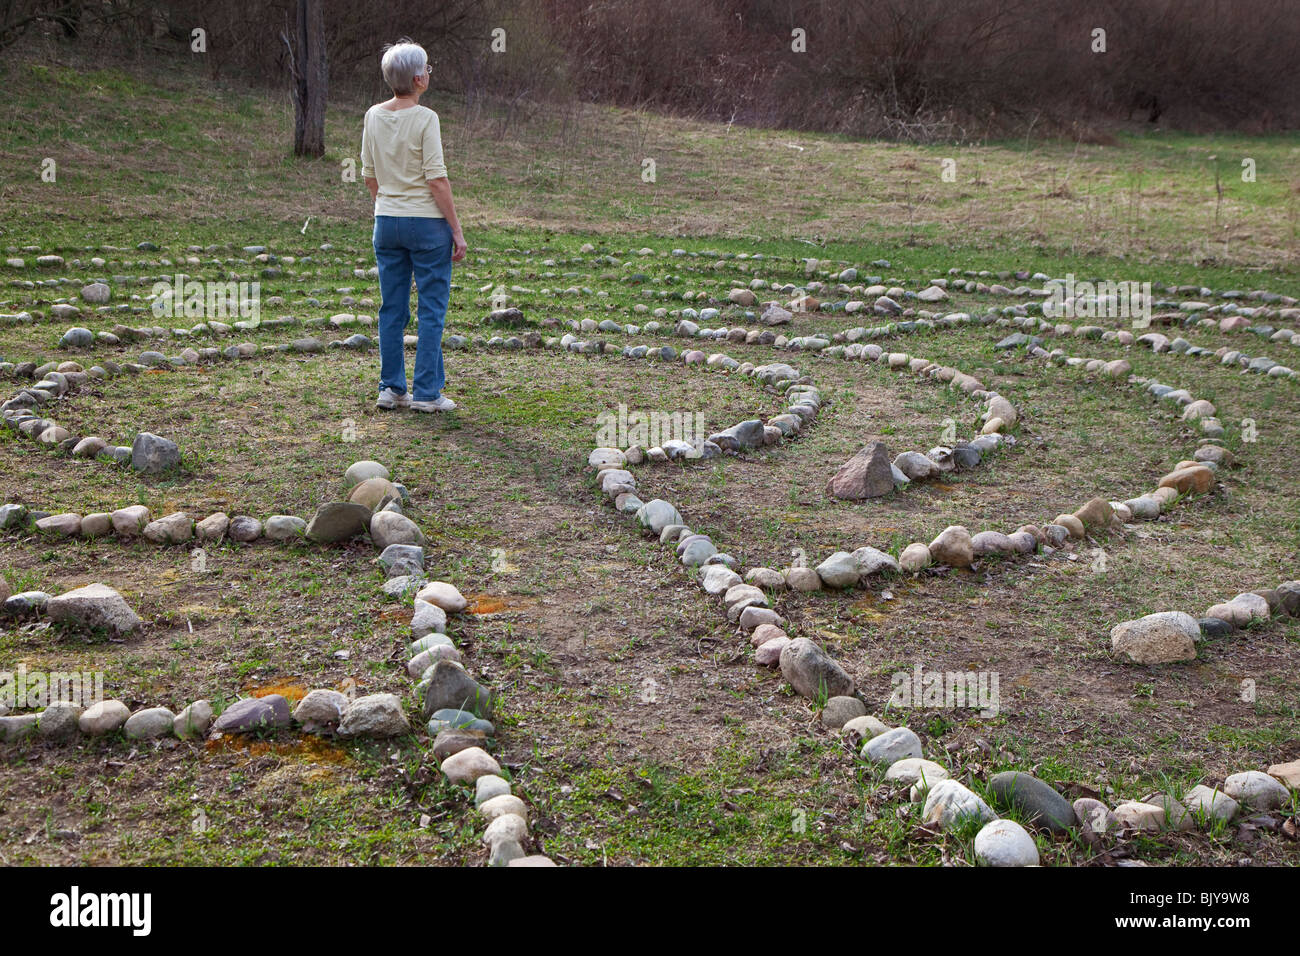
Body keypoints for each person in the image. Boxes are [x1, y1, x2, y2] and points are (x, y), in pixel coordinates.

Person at [360, 37, 467, 412]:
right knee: (432, 308)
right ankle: (426, 393)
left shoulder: (372, 115)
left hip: (386, 222)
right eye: (428, 69)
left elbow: (369, 175)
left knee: (392, 307)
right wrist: (456, 229)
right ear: (420, 79)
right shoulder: (426, 118)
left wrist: (389, 207)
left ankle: (391, 388)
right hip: (426, 226)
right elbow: (436, 179)